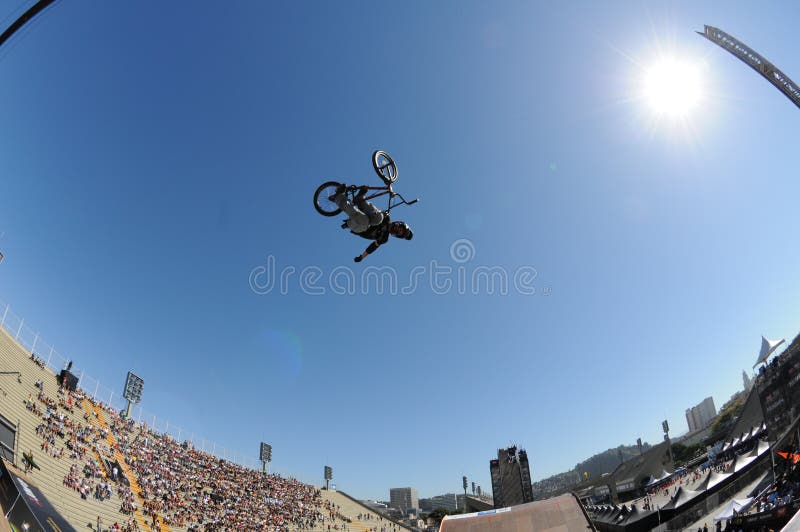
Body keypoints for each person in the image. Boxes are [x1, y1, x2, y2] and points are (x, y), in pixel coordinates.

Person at [330, 186, 413, 262]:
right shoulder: (387, 218)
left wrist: (361, 257)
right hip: (363, 215)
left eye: (398, 232)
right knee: (379, 218)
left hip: (358, 226)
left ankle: (339, 197)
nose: (397, 229)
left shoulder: (384, 238)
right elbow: (374, 213)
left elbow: (372, 247)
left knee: (365, 221)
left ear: (396, 235)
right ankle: (360, 199)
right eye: (400, 228)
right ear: (400, 224)